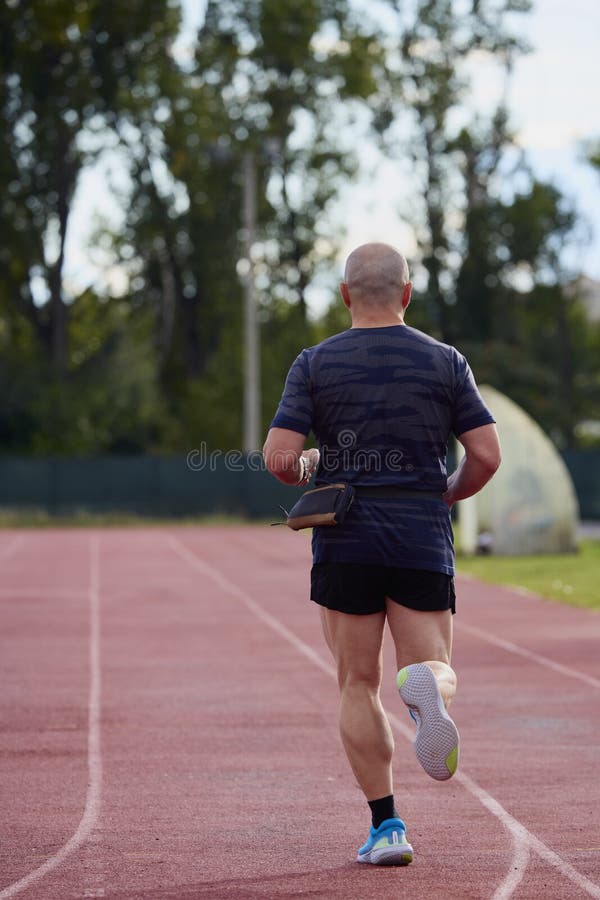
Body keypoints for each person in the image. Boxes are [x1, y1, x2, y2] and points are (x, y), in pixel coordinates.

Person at [263, 243, 501, 866]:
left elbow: (279, 460)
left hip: (347, 539)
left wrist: (312, 464)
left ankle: (387, 828)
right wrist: (445, 494)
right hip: (419, 530)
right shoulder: (446, 361)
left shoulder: (313, 364)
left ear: (345, 295)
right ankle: (430, 689)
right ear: (406, 292)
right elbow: (486, 456)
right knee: (433, 667)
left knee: (357, 682)